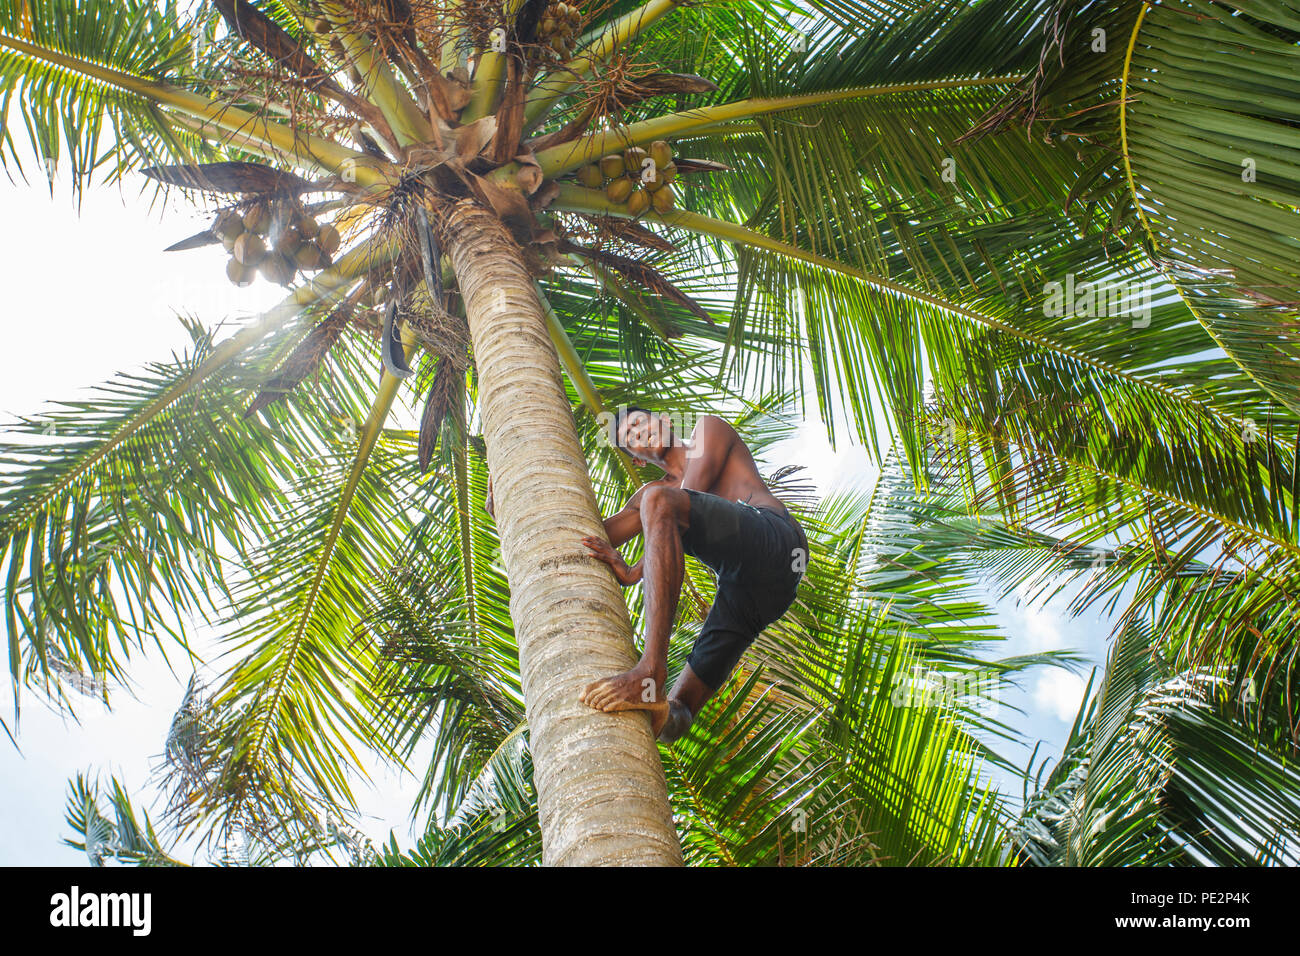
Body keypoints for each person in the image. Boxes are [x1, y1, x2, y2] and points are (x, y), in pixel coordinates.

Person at [577, 407, 807, 742]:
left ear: (666, 422)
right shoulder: (651, 497)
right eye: (630, 438)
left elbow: (684, 497)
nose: (639, 433)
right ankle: (659, 707)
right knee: (680, 706)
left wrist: (632, 571)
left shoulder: (708, 431)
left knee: (658, 501)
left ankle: (650, 671)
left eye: (640, 423)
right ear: (638, 460)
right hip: (748, 593)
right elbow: (588, 532)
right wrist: (510, 510)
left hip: (778, 543)